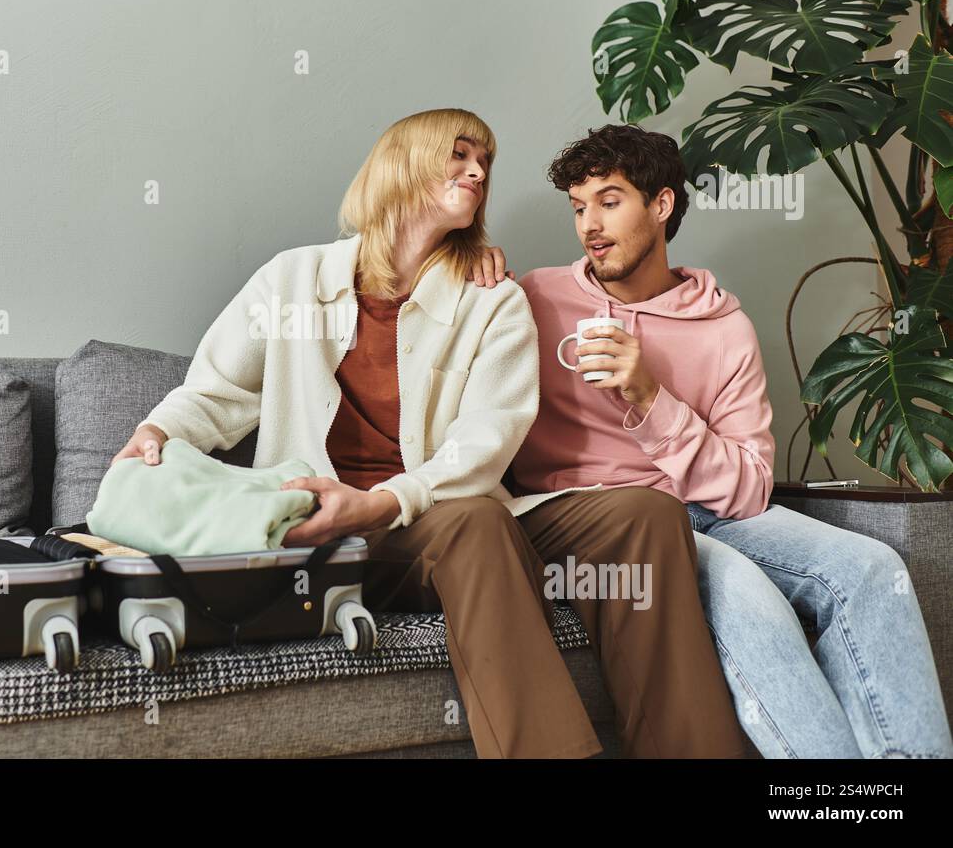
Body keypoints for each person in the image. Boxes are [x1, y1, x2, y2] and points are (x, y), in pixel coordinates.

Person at [111, 108, 748, 758]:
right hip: (335, 535)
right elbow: (217, 392)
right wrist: (158, 430)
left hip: (432, 515)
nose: (478, 170)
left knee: (646, 514)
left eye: (486, 162)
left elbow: (486, 441)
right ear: (401, 164)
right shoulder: (294, 282)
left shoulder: (489, 300)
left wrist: (387, 500)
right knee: (475, 524)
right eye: (461, 154)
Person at [497, 122, 953, 758]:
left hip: (717, 514)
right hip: (628, 532)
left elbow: (749, 488)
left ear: (661, 205)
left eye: (609, 200)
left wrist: (651, 399)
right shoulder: (536, 298)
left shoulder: (722, 326)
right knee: (753, 605)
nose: (589, 226)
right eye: (579, 207)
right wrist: (472, 258)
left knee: (875, 571)